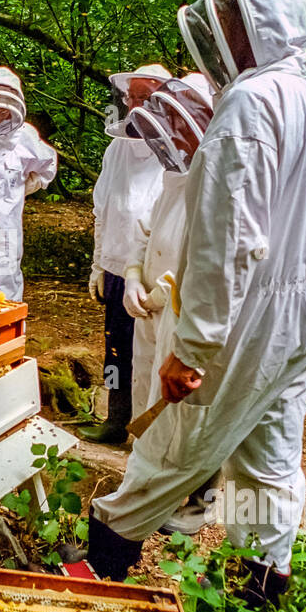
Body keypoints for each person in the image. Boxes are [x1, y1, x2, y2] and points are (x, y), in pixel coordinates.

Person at [86, 0, 306, 606]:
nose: (226, 30)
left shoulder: (250, 102)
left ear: (263, 22)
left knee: (179, 448)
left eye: (236, 16)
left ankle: (100, 567)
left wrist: (194, 347)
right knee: (269, 462)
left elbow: (229, 242)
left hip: (251, 314)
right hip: (304, 312)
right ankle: (255, 600)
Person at [119, 75, 219, 536]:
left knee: (193, 410)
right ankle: (146, 489)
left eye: (179, 121)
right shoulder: (172, 178)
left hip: (191, 320)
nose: (171, 132)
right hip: (154, 316)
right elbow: (145, 234)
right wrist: (133, 277)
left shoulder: (219, 181)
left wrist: (162, 290)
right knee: (148, 393)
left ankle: (195, 506)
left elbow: (213, 261)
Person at [80, 62, 172, 445]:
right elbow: (103, 209)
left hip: (157, 276)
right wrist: (98, 264)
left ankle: (147, 434)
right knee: (116, 353)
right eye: (131, 97)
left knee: (152, 356)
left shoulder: (176, 149)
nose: (136, 105)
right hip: (118, 270)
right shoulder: (117, 148)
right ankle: (116, 419)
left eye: (145, 98)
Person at [0, 66, 58, 301]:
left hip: (5, 230)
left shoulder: (25, 135)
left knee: (5, 294)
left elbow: (48, 165)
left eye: (6, 98)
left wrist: (30, 184)